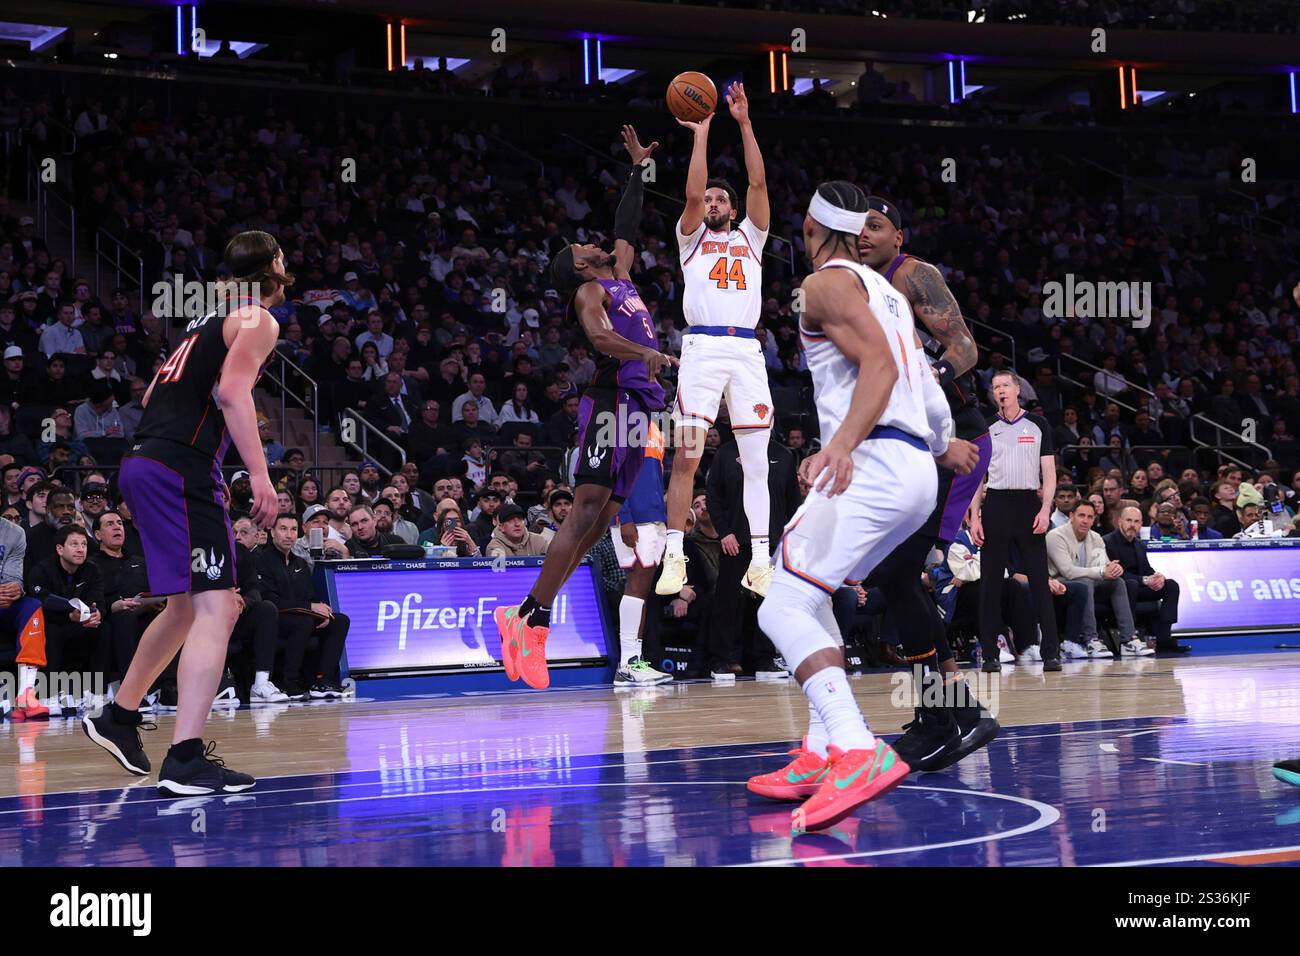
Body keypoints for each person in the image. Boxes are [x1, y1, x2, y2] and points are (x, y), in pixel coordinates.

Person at [742, 182, 976, 832]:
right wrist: (941, 444)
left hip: (871, 462)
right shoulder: (890, 296)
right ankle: (819, 754)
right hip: (912, 468)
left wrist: (840, 445)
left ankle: (852, 746)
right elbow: (927, 391)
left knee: (781, 606)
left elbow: (875, 365)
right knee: (810, 595)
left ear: (812, 225)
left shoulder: (824, 285)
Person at [82, 229, 282, 796]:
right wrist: (260, 474)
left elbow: (149, 399)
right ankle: (186, 758)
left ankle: (117, 718)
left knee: (183, 609)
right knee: (220, 605)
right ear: (275, 267)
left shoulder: (201, 326)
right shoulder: (256, 319)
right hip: (181, 469)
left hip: (144, 460)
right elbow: (231, 394)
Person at [494, 125, 676, 691]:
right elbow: (599, 341)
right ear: (577, 266)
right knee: (585, 508)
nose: (589, 242)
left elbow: (627, 223)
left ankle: (523, 616)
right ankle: (533, 619)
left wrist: (637, 169)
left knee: (601, 521)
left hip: (638, 408)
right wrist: (646, 350)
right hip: (609, 402)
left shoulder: (618, 272)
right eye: (578, 247)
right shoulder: (587, 292)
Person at [657, 82, 775, 601]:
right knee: (686, 456)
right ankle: (674, 556)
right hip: (702, 349)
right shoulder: (690, 238)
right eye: (707, 198)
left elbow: (757, 179)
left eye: (719, 198)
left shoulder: (752, 236)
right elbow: (688, 194)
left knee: (756, 461)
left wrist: (744, 122)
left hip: (746, 350)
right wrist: (702, 134)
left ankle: (763, 561)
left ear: (732, 208)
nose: (711, 202)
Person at [969, 369, 1062, 672]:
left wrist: (1046, 509)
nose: (1001, 390)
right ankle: (990, 653)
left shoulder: (1038, 425)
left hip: (1027, 505)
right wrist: (974, 517)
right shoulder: (986, 425)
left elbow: (1049, 474)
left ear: (1018, 389)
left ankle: (1051, 651)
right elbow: (976, 477)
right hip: (995, 503)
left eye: (1006, 385)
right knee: (991, 583)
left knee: (1038, 580)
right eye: (996, 387)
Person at [607, 422, 672, 686]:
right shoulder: (623, 423)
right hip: (636, 517)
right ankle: (628, 664)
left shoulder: (654, 427)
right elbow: (616, 474)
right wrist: (625, 516)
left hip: (655, 515)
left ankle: (636, 660)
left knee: (642, 590)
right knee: (636, 585)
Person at [1044, 499, 1128, 660]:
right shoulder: (1055, 536)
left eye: (1090, 517)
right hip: (1059, 583)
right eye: (1081, 515)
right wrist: (1103, 571)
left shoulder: (1095, 537)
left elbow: (1104, 566)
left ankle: (1128, 640)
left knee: (1118, 582)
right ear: (1071, 516)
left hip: (1087, 582)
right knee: (1085, 583)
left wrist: (1114, 569)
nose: (1085, 520)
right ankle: (1091, 640)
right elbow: (1068, 572)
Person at [1104, 505, 1188, 655]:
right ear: (1119, 522)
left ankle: (1163, 638)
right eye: (1128, 520)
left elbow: (1147, 570)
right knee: (1130, 584)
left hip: (1140, 586)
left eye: (1136, 521)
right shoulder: (1108, 542)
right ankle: (1130, 636)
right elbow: (1114, 574)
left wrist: (1157, 577)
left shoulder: (1139, 545)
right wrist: (1144, 580)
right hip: (1120, 590)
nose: (1132, 525)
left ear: (1141, 524)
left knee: (1171, 585)